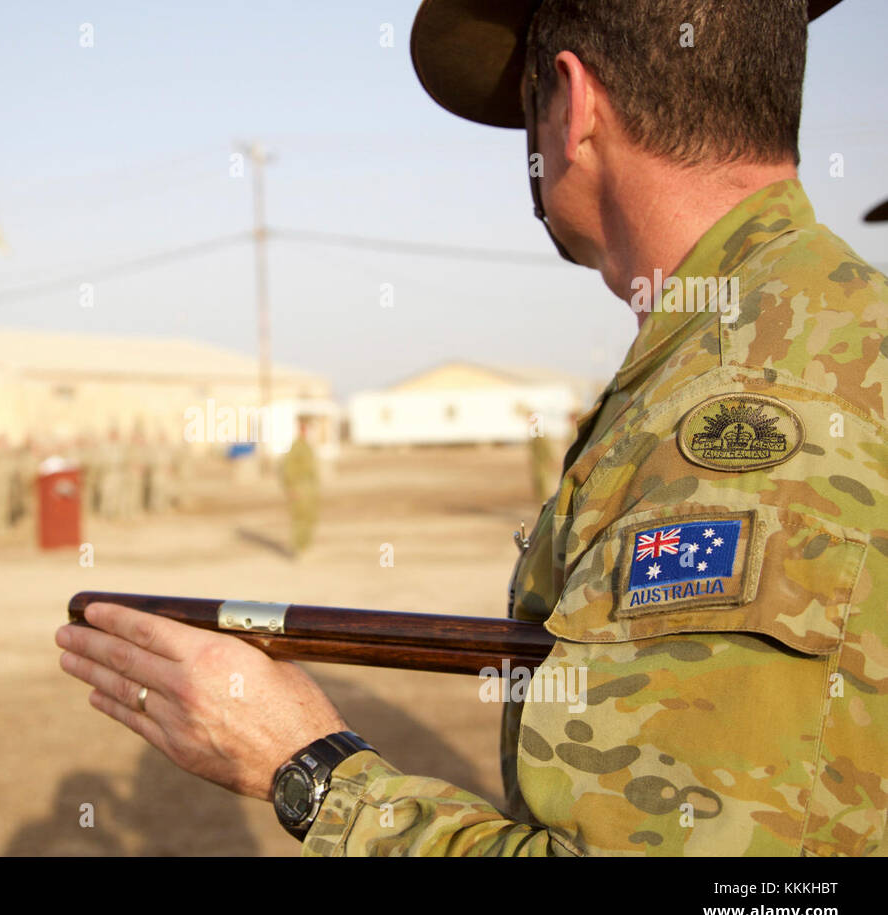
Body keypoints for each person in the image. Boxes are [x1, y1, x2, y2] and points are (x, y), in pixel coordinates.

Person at [56, 0, 888, 856]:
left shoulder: (740, 406)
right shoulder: (818, 329)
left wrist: (310, 771)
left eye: (523, 116)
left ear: (576, 106)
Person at [279, 416, 319, 558]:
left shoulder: (307, 445)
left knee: (310, 518)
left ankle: (306, 547)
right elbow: (287, 469)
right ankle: (299, 549)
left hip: (309, 489)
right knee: (300, 519)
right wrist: (291, 488)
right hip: (300, 488)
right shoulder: (296, 446)